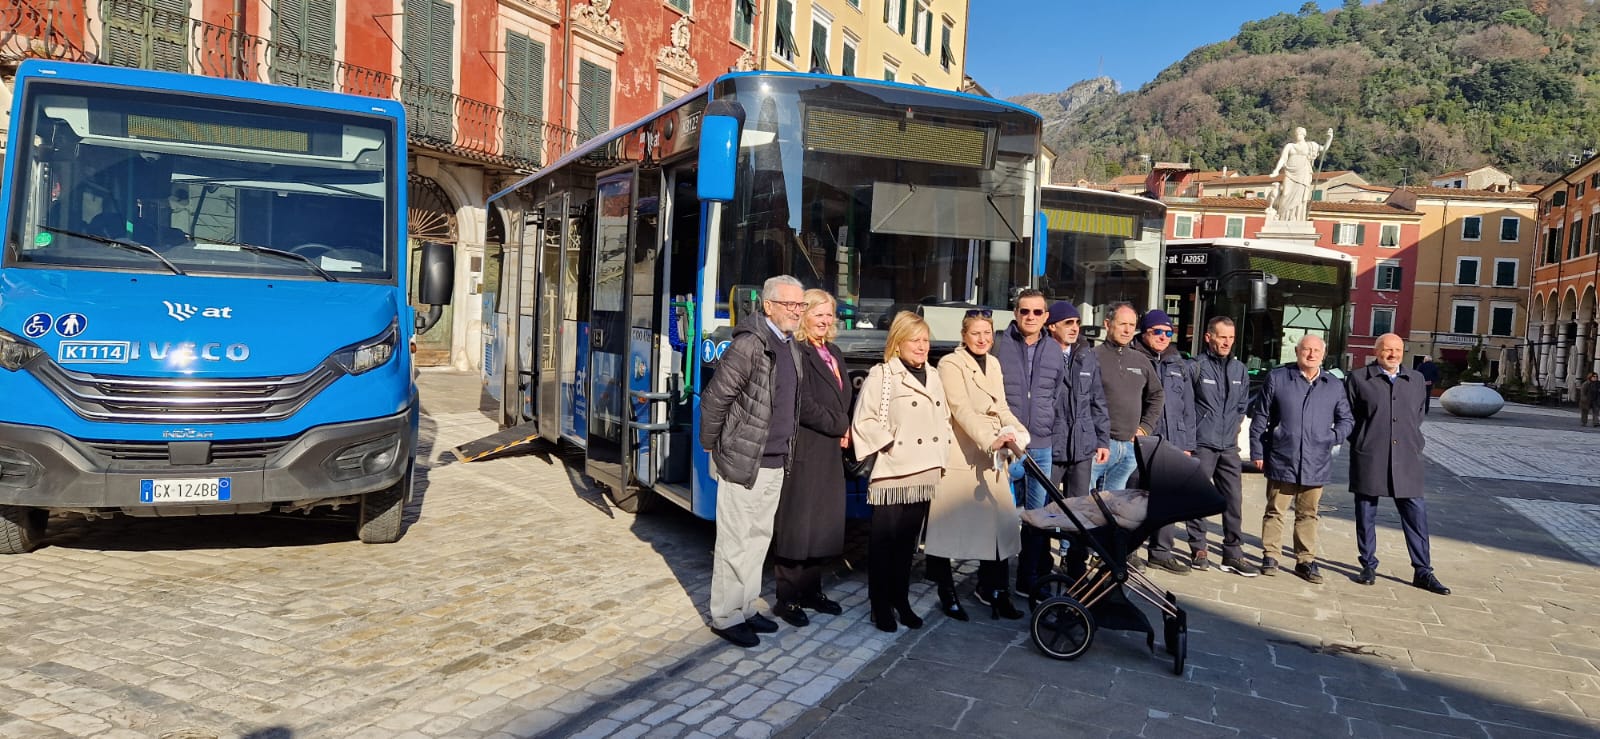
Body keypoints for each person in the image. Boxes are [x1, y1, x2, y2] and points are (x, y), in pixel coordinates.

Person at [698, 275, 808, 648]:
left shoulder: (790, 346)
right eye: (790, 304)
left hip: (775, 460)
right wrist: (710, 445)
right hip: (744, 461)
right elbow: (716, 398)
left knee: (759, 539)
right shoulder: (749, 344)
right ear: (768, 306)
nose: (797, 311)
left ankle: (745, 606)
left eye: (800, 304)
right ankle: (726, 616)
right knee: (735, 542)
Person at [851, 311, 951, 633]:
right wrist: (891, 443)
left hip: (925, 470)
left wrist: (942, 454)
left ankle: (901, 600)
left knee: (908, 544)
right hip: (893, 470)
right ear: (897, 342)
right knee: (884, 543)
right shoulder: (882, 375)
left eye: (925, 340)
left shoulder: (933, 375)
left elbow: (944, 420)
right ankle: (879, 604)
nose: (922, 346)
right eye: (914, 340)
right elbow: (863, 420)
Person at [925, 312, 1027, 621]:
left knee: (999, 525)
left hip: (994, 455)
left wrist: (1018, 432)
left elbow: (1001, 406)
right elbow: (961, 409)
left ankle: (996, 589)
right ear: (964, 335)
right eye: (975, 333)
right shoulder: (950, 364)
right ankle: (946, 591)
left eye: (987, 333)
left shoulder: (993, 364)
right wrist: (989, 440)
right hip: (963, 452)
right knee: (947, 528)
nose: (982, 339)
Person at [771, 289, 853, 628]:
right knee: (798, 525)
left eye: (829, 314)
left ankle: (811, 590)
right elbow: (800, 403)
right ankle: (787, 597)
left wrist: (845, 425)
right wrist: (840, 425)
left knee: (820, 524)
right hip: (806, 447)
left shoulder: (833, 351)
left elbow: (844, 395)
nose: (825, 320)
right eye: (818, 313)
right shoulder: (797, 351)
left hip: (829, 449)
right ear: (803, 316)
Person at [1346, 334, 1450, 595]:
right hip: (1371, 455)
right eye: (1387, 350)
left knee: (1416, 514)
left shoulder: (1415, 379)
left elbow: (1418, 414)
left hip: (1407, 457)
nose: (1393, 354)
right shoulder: (1358, 378)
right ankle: (1368, 564)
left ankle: (1423, 570)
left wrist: (1413, 440)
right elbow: (1349, 416)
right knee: (1366, 512)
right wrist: (1363, 439)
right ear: (1376, 351)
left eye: (1398, 350)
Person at [1249, 334, 1353, 584]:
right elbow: (1261, 416)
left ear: (1323, 355)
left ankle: (1305, 560)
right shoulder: (1279, 378)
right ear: (1297, 352)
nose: (1311, 354)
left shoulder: (1333, 384)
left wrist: (1332, 437)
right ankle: (1271, 555)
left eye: (1317, 350)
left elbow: (1347, 419)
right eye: (1306, 349)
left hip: (1316, 460)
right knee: (1275, 510)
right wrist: (1257, 451)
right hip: (1283, 456)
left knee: (1308, 513)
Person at [992, 288, 1064, 594]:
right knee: (1001, 517)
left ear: (1046, 317)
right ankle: (993, 583)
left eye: (1037, 312)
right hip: (1008, 446)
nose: (1031, 317)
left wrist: (1048, 428)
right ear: (1015, 313)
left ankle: (1027, 579)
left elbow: (1056, 394)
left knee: (1037, 519)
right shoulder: (999, 343)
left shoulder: (1054, 350)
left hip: (1041, 446)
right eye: (1025, 311)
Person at [1186, 317, 1259, 576]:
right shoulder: (1195, 367)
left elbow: (1241, 406)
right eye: (1222, 337)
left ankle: (1233, 553)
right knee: (1197, 497)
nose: (1227, 342)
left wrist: (1234, 428)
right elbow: (1185, 405)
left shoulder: (1240, 370)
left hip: (1228, 446)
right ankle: (1199, 548)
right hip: (1202, 444)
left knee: (1233, 500)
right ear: (1209, 337)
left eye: (1231, 337)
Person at [1046, 301, 1110, 580]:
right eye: (1068, 323)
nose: (1074, 329)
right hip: (1052, 443)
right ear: (1052, 326)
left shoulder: (1086, 356)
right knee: (1046, 510)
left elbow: (1098, 400)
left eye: (1076, 324)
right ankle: (1039, 562)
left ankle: (1075, 564)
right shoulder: (1044, 353)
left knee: (1079, 510)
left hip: (1082, 445)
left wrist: (1102, 440)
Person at [1133, 309, 1196, 575]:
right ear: (1145, 332)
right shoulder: (1134, 358)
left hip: (1172, 441)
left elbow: (1188, 407)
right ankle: (1130, 550)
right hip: (1141, 438)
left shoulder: (1178, 363)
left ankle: (1161, 552)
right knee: (1136, 497)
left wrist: (1187, 444)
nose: (1163, 337)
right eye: (1157, 331)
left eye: (1169, 332)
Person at [1091, 302, 1164, 494]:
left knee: (1114, 505)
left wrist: (1145, 428)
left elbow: (1157, 394)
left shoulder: (1141, 360)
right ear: (1107, 324)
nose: (1127, 330)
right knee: (1085, 504)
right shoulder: (1091, 357)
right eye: (1122, 324)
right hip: (1098, 446)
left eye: (1132, 325)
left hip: (1130, 448)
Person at [1269, 126, 1332, 222]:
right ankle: (1283, 217)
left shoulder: (1311, 145)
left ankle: (1297, 218)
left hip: (1303, 173)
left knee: (1301, 197)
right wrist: (1276, 170)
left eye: (1299, 134)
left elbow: (1324, 149)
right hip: (1290, 172)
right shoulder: (1290, 146)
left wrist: (1329, 138)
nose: (1297, 136)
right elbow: (1283, 158)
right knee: (1285, 193)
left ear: (1304, 135)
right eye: (1296, 134)